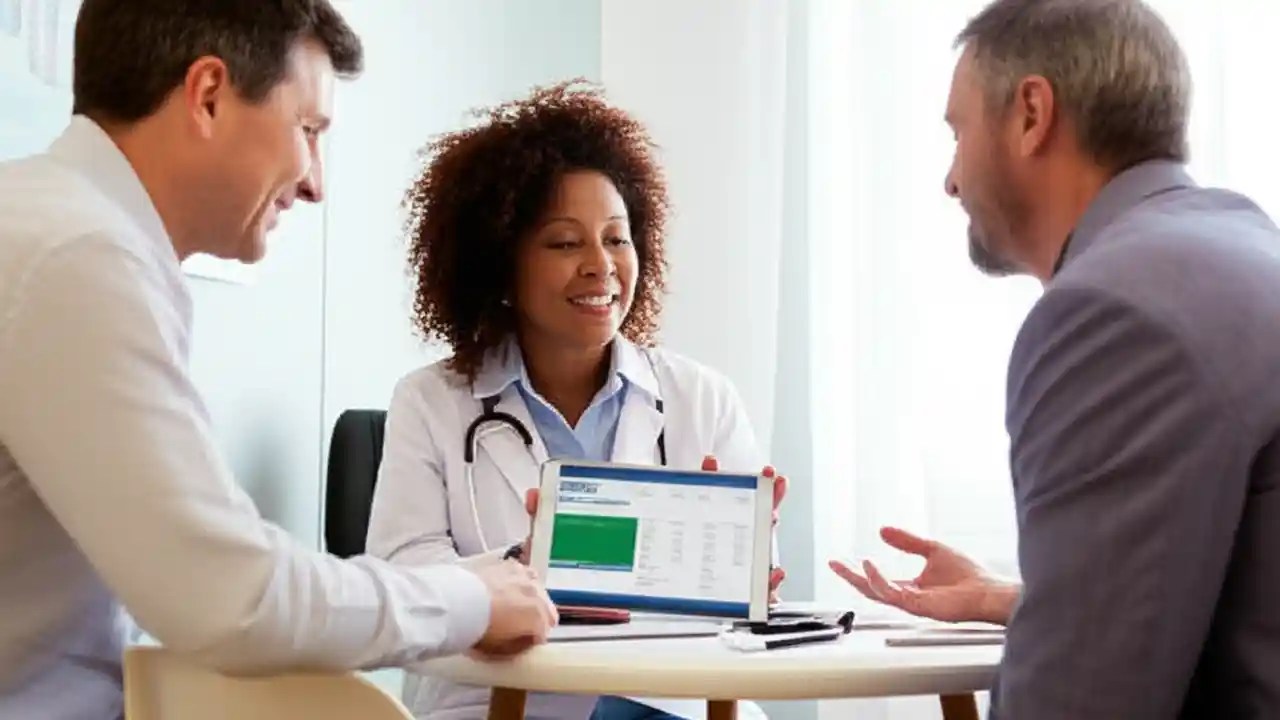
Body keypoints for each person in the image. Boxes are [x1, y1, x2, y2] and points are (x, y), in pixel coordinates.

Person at [0, 2, 558, 718]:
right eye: (309, 131)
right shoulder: (77, 258)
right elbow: (233, 599)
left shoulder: (46, 224)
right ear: (208, 96)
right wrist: (470, 599)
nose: (314, 181)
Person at [834, 0, 1280, 717]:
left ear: (1031, 114)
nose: (951, 179)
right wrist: (1020, 601)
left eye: (958, 131)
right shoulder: (1240, 247)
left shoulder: (1117, 314)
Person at [365, 81, 787, 720]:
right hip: (496, 700)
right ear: (501, 266)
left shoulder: (702, 399)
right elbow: (401, 578)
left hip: (665, 698)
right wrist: (518, 566)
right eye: (565, 243)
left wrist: (739, 568)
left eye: (616, 238)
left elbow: (750, 608)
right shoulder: (431, 402)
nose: (601, 265)